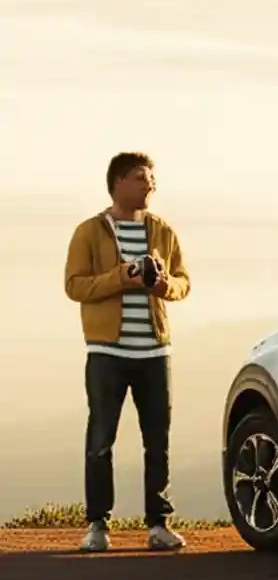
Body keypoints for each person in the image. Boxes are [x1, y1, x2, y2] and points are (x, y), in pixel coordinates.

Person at [63, 152, 191, 552]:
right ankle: (98, 525)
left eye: (152, 178)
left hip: (155, 351)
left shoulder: (163, 231)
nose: (149, 184)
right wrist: (125, 275)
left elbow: (184, 282)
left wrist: (161, 284)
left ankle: (158, 524)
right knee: (101, 439)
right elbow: (75, 286)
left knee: (158, 440)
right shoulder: (89, 231)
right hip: (107, 352)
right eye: (140, 178)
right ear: (117, 182)